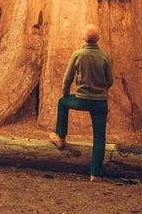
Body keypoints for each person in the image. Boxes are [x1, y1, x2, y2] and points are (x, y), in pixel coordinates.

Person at [48, 24, 113, 181]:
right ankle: (95, 174)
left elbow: (67, 79)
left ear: (84, 38)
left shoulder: (78, 54)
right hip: (99, 102)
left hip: (81, 100)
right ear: (98, 39)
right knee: (99, 138)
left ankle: (61, 137)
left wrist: (66, 94)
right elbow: (110, 81)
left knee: (62, 102)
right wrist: (100, 90)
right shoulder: (105, 56)